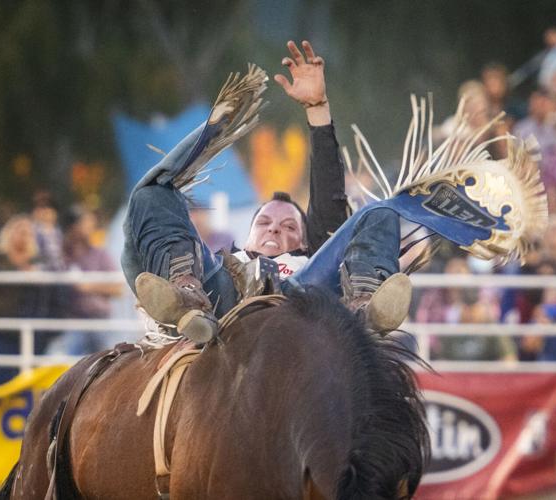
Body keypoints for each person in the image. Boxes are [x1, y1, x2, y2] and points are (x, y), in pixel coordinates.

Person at [124, 41, 409, 343]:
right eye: (264, 222)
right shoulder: (221, 263)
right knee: (149, 196)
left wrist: (318, 110)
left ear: (305, 243)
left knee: (380, 211)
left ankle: (364, 309)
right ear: (245, 238)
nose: (274, 228)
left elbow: (329, 202)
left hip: (302, 296)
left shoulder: (311, 261)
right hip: (224, 298)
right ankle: (186, 297)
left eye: (289, 227)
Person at [0, 215, 53, 384]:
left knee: (28, 378)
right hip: (0, 328)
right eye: (19, 231)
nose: (23, 236)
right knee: (3, 377)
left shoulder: (38, 260)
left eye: (28, 232)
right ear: (9, 233)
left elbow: (46, 293)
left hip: (30, 329)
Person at [56, 208, 122, 355]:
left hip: (100, 320)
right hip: (73, 320)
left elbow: (118, 288)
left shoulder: (100, 254)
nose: (91, 227)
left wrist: (89, 286)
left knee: (107, 361)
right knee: (68, 360)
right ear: (73, 226)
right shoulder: (62, 255)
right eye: (86, 223)